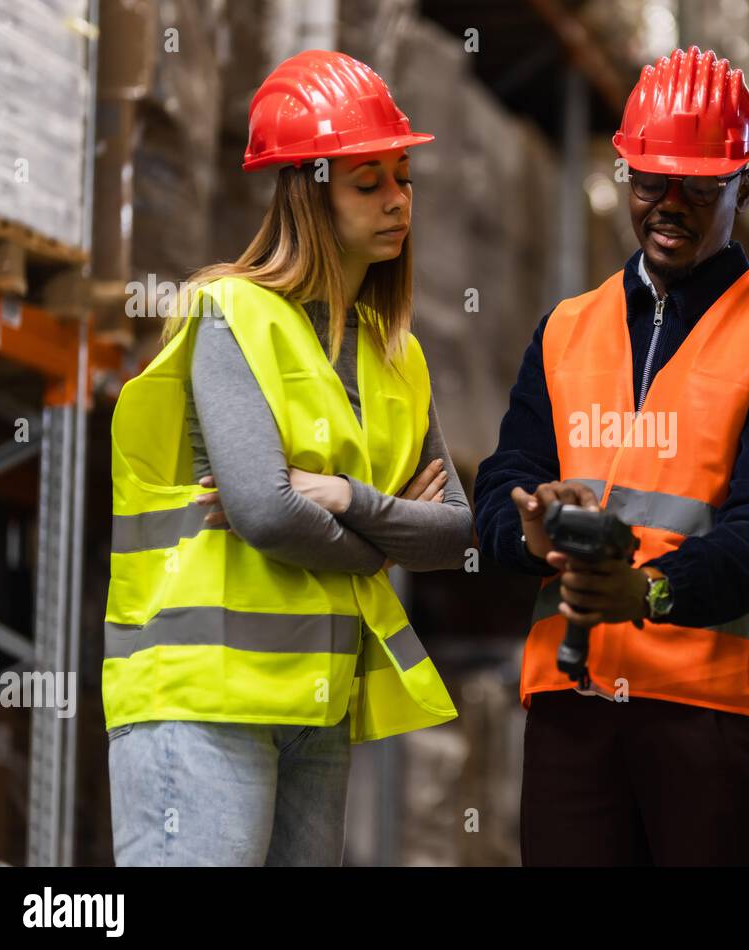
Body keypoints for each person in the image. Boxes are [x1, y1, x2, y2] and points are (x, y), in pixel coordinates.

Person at [474, 45, 749, 866]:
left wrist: (650, 587)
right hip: (574, 716)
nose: (668, 205)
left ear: (743, 183)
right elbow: (501, 483)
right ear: (623, 173)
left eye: (698, 185)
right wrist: (527, 529)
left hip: (723, 726)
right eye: (649, 182)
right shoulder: (566, 327)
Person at [103, 49, 471, 866]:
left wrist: (339, 495)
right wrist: (382, 533)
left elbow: (455, 535)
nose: (397, 200)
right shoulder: (230, 312)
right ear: (309, 190)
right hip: (200, 702)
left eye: (403, 177)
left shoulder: (395, 354)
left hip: (318, 705)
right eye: (366, 181)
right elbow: (267, 512)